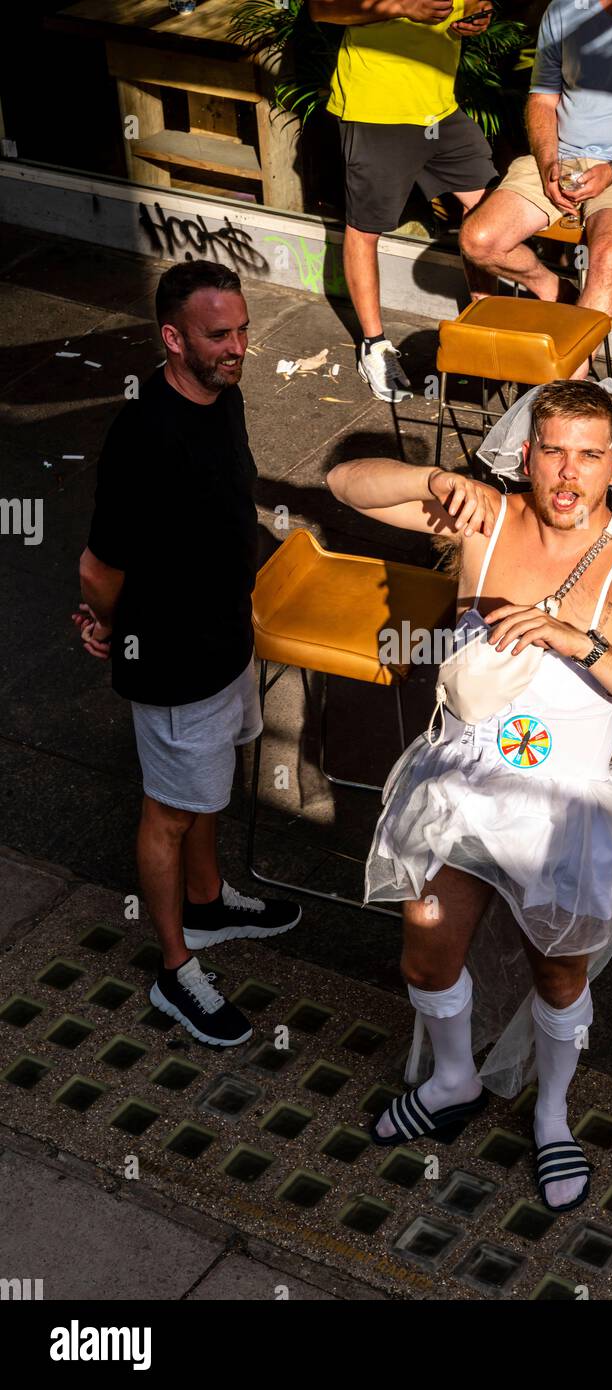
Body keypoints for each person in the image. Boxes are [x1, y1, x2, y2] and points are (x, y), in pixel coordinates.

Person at [327, 380, 612, 1211]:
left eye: (589, 455)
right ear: (525, 454)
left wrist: (580, 640)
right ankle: (455, 1079)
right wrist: (430, 482)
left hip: (561, 807)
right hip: (457, 786)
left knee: (558, 977)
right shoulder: (484, 519)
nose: (568, 475)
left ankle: (553, 1115)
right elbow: (343, 484)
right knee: (424, 946)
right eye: (552, 451)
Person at [75, 260, 301, 1047]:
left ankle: (207, 900)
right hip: (173, 658)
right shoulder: (144, 433)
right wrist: (110, 624)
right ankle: (176, 969)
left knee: (213, 780)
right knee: (170, 811)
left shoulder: (221, 393)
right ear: (173, 339)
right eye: (219, 335)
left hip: (225, 635)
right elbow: (99, 568)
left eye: (241, 329)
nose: (238, 346)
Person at [459, 0, 612, 374]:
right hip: (562, 155)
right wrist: (546, 164)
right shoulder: (562, 8)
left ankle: (564, 392)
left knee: (606, 257)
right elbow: (542, 100)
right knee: (479, 240)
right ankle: (556, 291)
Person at [311, 0, 499, 402]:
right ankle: (374, 347)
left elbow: (471, 7)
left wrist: (477, 18)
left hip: (440, 109)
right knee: (365, 228)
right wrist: (400, 6)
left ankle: (487, 331)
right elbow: (322, 8)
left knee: (491, 214)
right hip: (377, 111)